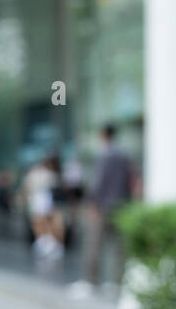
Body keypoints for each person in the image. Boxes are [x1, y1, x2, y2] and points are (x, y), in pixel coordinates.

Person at [71, 124, 133, 299]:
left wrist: (92, 203)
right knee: (119, 247)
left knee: (93, 244)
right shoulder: (123, 155)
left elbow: (99, 181)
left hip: (102, 206)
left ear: (103, 135)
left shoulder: (104, 155)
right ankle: (117, 283)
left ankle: (90, 282)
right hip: (121, 204)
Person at [20, 156, 62, 258]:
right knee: (41, 222)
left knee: (41, 222)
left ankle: (47, 243)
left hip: (41, 200)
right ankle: (46, 243)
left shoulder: (38, 174)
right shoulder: (47, 174)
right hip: (41, 200)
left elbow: (27, 187)